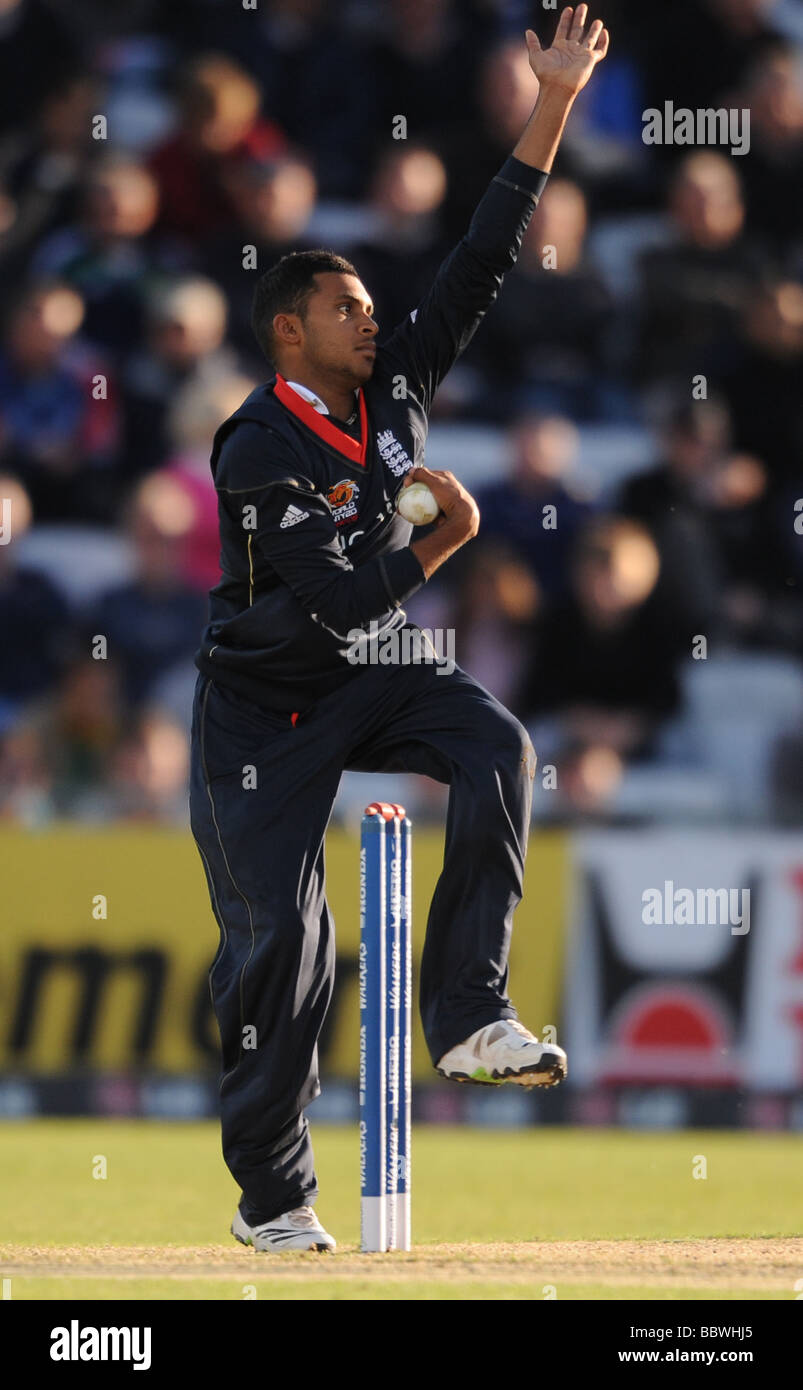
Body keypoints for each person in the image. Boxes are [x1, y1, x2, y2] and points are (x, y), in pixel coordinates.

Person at [189, 7, 610, 1253]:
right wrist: (438, 544)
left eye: (373, 306)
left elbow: (483, 252)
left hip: (369, 676)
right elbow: (332, 598)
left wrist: (554, 101)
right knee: (288, 960)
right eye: (347, 309)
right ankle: (273, 1203)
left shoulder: (393, 393)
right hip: (262, 709)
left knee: (496, 745)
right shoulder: (255, 445)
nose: (372, 322)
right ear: (288, 332)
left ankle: (470, 1012)